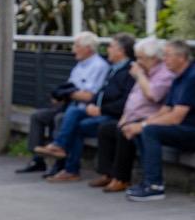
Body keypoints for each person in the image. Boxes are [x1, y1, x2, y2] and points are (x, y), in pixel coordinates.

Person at [35, 34, 135, 182]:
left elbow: (125, 102)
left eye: (111, 46)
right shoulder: (114, 69)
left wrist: (101, 109)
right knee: (74, 115)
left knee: (77, 123)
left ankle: (68, 162)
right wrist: (93, 104)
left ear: (121, 51)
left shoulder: (128, 71)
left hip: (113, 115)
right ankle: (62, 154)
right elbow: (100, 93)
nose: (107, 50)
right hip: (98, 109)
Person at [124, 40, 195, 201]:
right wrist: (139, 123)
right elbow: (165, 109)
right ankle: (147, 181)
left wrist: (143, 125)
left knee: (149, 130)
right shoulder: (178, 76)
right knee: (142, 128)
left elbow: (176, 117)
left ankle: (155, 186)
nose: (164, 59)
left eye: (168, 55)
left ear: (181, 57)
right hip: (181, 129)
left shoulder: (194, 77)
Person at [16, 32, 109, 175]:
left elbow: (88, 95)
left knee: (59, 118)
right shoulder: (80, 65)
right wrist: (60, 94)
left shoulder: (98, 66)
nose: (73, 50)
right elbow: (71, 87)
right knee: (38, 116)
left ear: (88, 48)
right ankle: (37, 159)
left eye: (77, 46)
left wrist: (67, 93)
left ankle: (59, 163)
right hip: (70, 104)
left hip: (83, 108)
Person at [91, 37, 174, 192]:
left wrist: (139, 76)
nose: (137, 62)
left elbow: (152, 95)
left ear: (154, 58)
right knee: (106, 129)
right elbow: (131, 100)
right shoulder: (145, 71)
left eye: (141, 58)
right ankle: (108, 173)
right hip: (132, 116)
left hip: (150, 118)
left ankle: (122, 178)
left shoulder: (163, 74)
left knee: (124, 132)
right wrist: (124, 119)